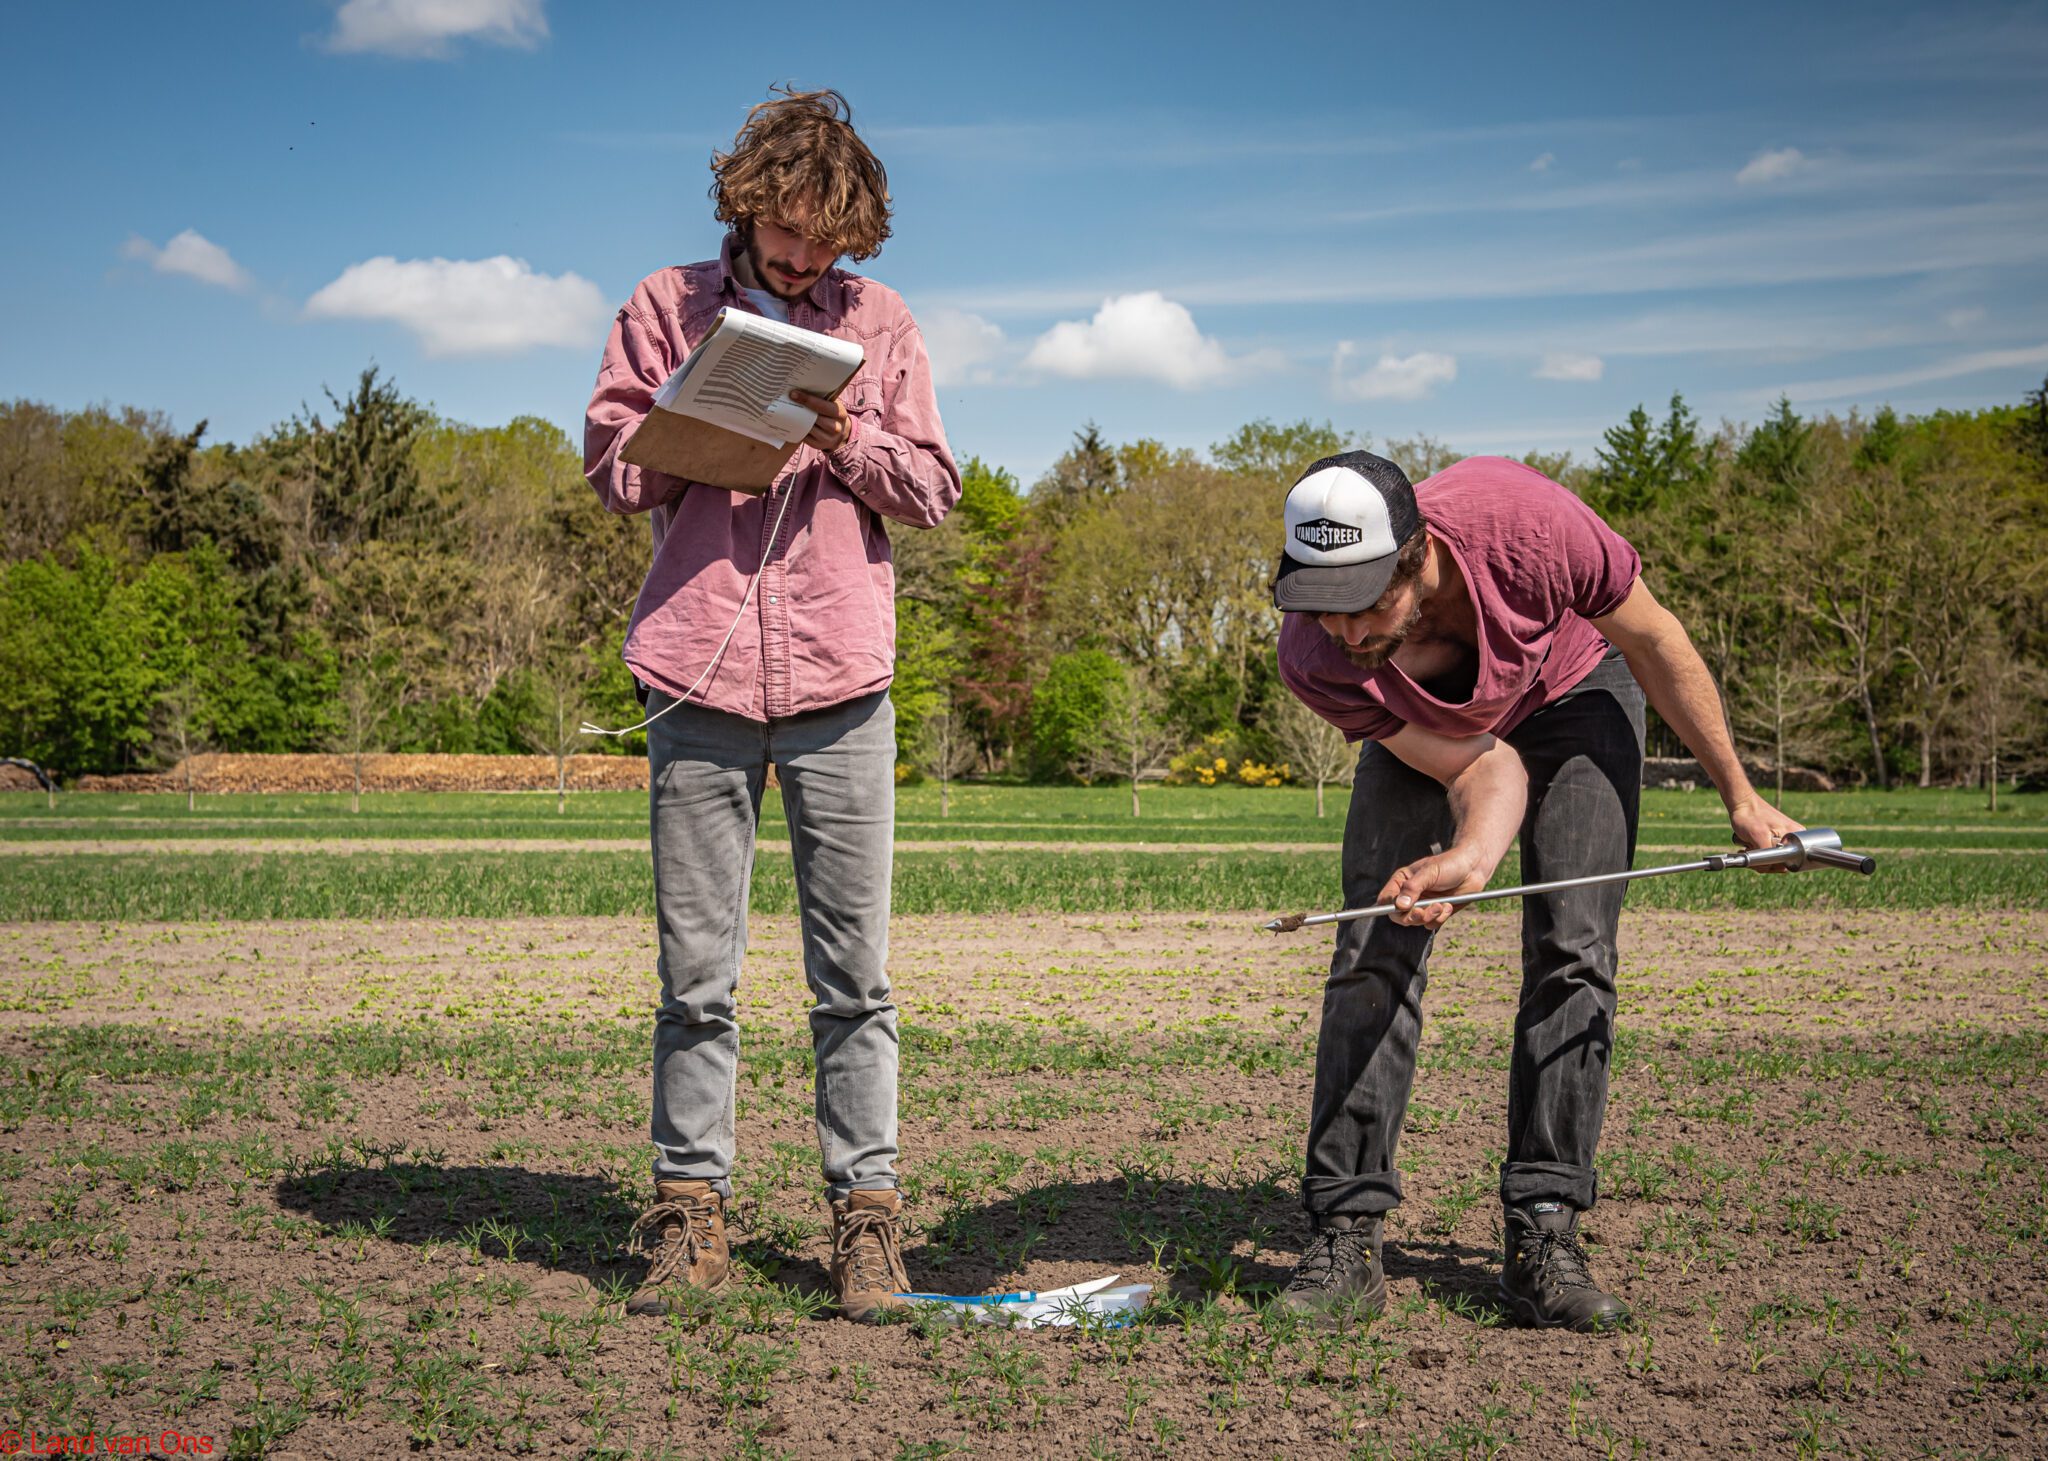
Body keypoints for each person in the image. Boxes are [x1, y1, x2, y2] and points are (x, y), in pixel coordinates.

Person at [1268, 450, 1800, 1331]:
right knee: (1374, 944)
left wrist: (1740, 796)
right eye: (1325, 608)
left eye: (1368, 603)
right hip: (1447, 732)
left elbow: (1656, 639)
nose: (1350, 630)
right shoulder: (1320, 656)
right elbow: (1485, 764)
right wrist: (1472, 857)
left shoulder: (1529, 528)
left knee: (1574, 947)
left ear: (1418, 551)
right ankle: (1346, 1231)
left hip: (1578, 687)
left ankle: (1544, 1231)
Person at [583, 88, 960, 1322]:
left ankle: (867, 1225)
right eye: (788, 237)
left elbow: (932, 490)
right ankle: (688, 1216)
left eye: (828, 248)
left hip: (843, 682)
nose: (806, 264)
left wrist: (841, 431)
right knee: (697, 977)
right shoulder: (662, 304)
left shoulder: (881, 321)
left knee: (854, 979)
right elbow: (612, 466)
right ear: (743, 205)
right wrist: (707, 421)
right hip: (694, 672)